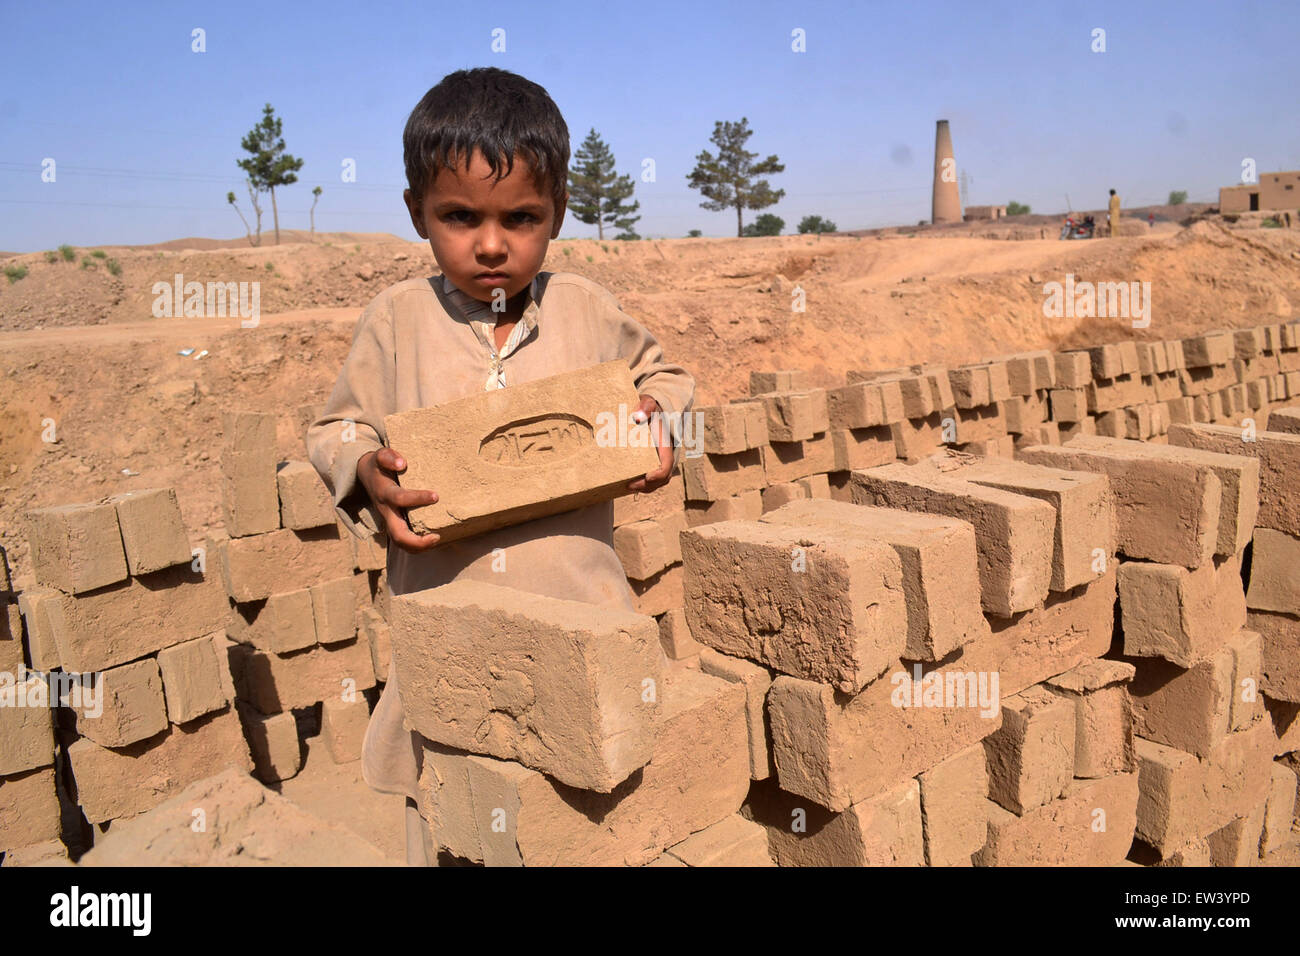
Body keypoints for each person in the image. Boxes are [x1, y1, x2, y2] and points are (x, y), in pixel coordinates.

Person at [305, 67, 696, 866]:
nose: (491, 245)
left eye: (521, 218)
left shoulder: (587, 309)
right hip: (448, 674)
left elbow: (667, 377)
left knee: (593, 834)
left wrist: (659, 422)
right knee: (454, 836)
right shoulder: (395, 323)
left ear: (557, 213)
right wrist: (364, 471)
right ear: (418, 212)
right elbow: (337, 426)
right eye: (459, 218)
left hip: (589, 649)